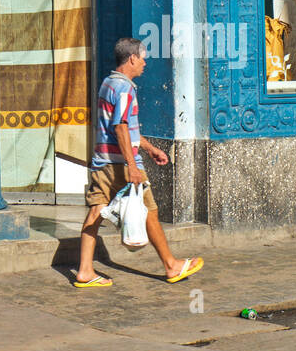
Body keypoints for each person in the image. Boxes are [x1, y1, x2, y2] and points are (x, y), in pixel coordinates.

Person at [75, 38, 204, 288]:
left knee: (96, 211)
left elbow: (124, 127)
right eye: (143, 59)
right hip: (122, 165)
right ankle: (171, 265)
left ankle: (85, 271)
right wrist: (132, 166)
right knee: (150, 212)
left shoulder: (108, 83)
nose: (145, 64)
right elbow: (121, 126)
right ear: (132, 58)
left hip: (103, 161)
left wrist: (150, 148)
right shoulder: (125, 88)